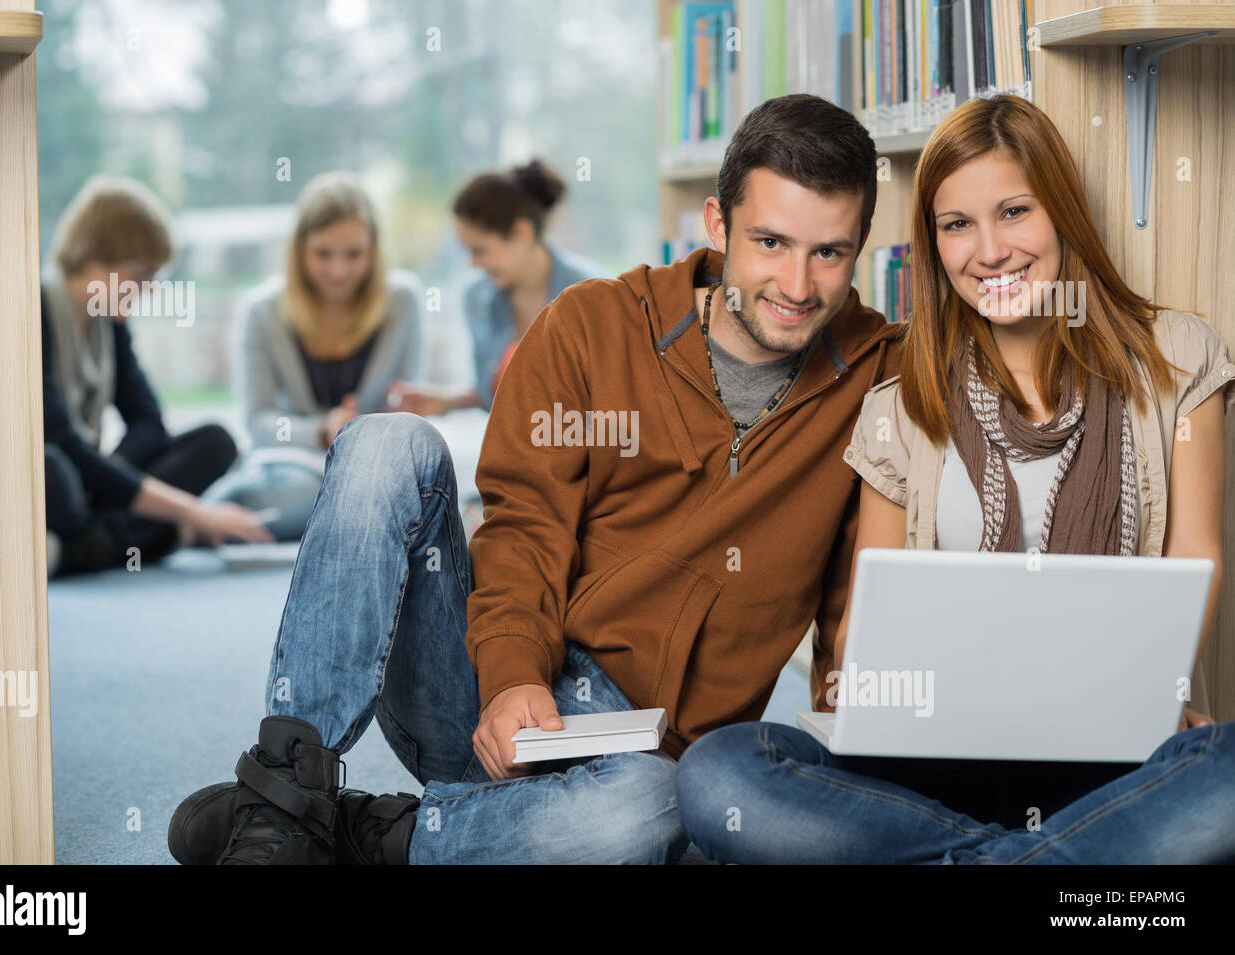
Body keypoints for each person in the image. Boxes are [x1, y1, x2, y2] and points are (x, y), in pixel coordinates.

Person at [167, 93, 904, 865]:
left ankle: (357, 831)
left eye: (829, 253)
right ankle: (289, 783)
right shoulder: (591, 324)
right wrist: (514, 672)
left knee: (649, 811)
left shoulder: (878, 381)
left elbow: (858, 600)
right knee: (386, 443)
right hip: (487, 695)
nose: (796, 283)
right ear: (717, 226)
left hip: (636, 765)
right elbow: (522, 522)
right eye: (770, 242)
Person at [675, 94, 1235, 865]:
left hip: (1117, 759)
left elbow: (1196, 553)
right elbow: (877, 620)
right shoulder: (899, 404)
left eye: (1014, 211)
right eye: (957, 225)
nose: (991, 250)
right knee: (722, 772)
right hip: (931, 772)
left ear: (1062, 211)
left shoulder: (1175, 357)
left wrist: (1153, 694)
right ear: (933, 244)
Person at [42, 175, 272, 578]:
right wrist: (195, 512)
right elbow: (60, 441)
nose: (148, 291)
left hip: (91, 489)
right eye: (142, 275)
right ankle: (158, 534)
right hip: (58, 479)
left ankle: (81, 549)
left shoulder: (108, 323)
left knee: (215, 441)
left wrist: (110, 472)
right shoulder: (38, 310)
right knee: (53, 469)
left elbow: (148, 422)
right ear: (94, 256)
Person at [206, 172, 425, 541]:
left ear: (373, 251)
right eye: (323, 254)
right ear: (299, 250)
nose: (338, 271)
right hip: (296, 467)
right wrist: (321, 432)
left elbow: (407, 412)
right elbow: (259, 423)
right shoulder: (262, 312)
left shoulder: (403, 302)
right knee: (282, 497)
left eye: (354, 255)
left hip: (379, 467)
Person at [387, 159, 602, 416]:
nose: (473, 264)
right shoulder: (476, 296)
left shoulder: (594, 294)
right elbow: (492, 395)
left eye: (480, 250)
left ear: (522, 232)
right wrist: (444, 401)